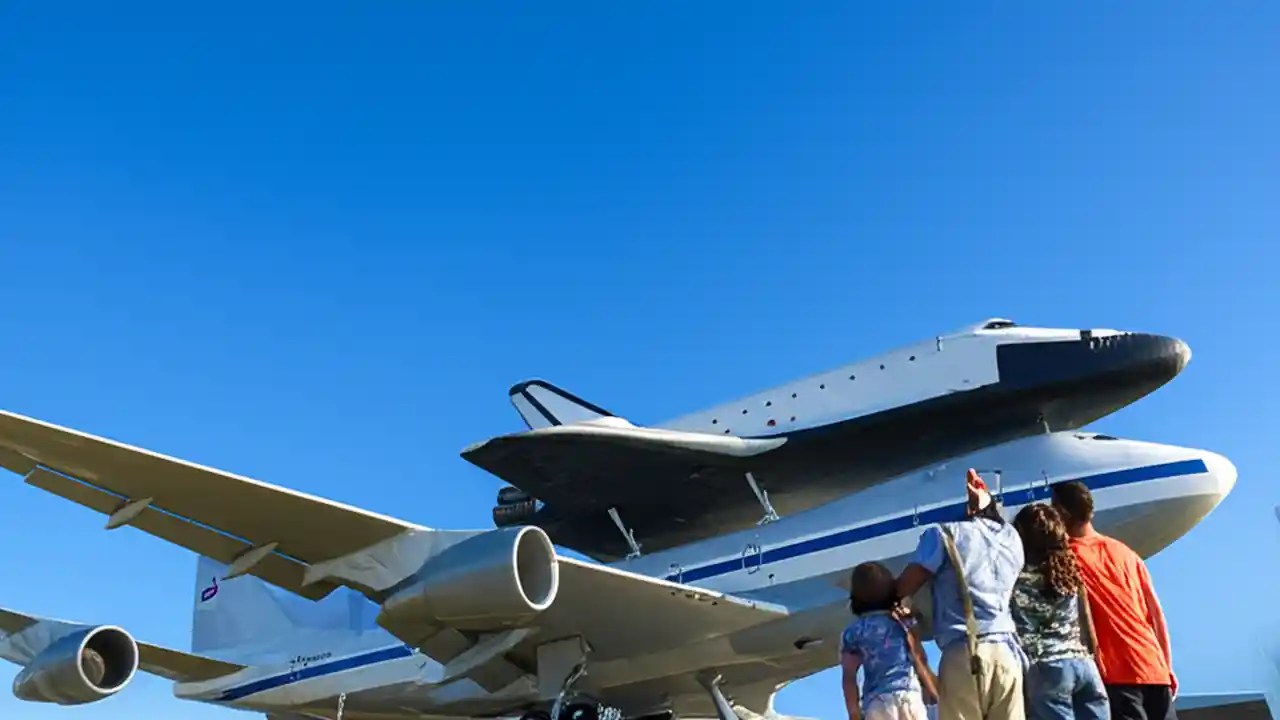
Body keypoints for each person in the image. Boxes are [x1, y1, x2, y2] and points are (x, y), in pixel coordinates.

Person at [896, 469, 1025, 720]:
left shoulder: (943, 535)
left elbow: (904, 587)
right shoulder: (1011, 538)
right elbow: (996, 522)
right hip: (1008, 654)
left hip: (965, 653)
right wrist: (984, 500)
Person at [1050, 481, 1177, 720]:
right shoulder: (1126, 553)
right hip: (1154, 669)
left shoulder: (1067, 556)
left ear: (1063, 513)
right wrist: (1167, 667)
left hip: (1116, 674)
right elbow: (1157, 615)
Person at [1011, 503, 1109, 720]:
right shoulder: (1068, 572)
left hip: (1047, 667)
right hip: (1084, 666)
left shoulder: (1017, 577)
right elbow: (1085, 621)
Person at [842, 561, 939, 720]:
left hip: (878, 703)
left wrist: (854, 713)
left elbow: (849, 676)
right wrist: (932, 692)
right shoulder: (903, 622)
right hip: (910, 697)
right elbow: (918, 658)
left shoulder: (853, 632)